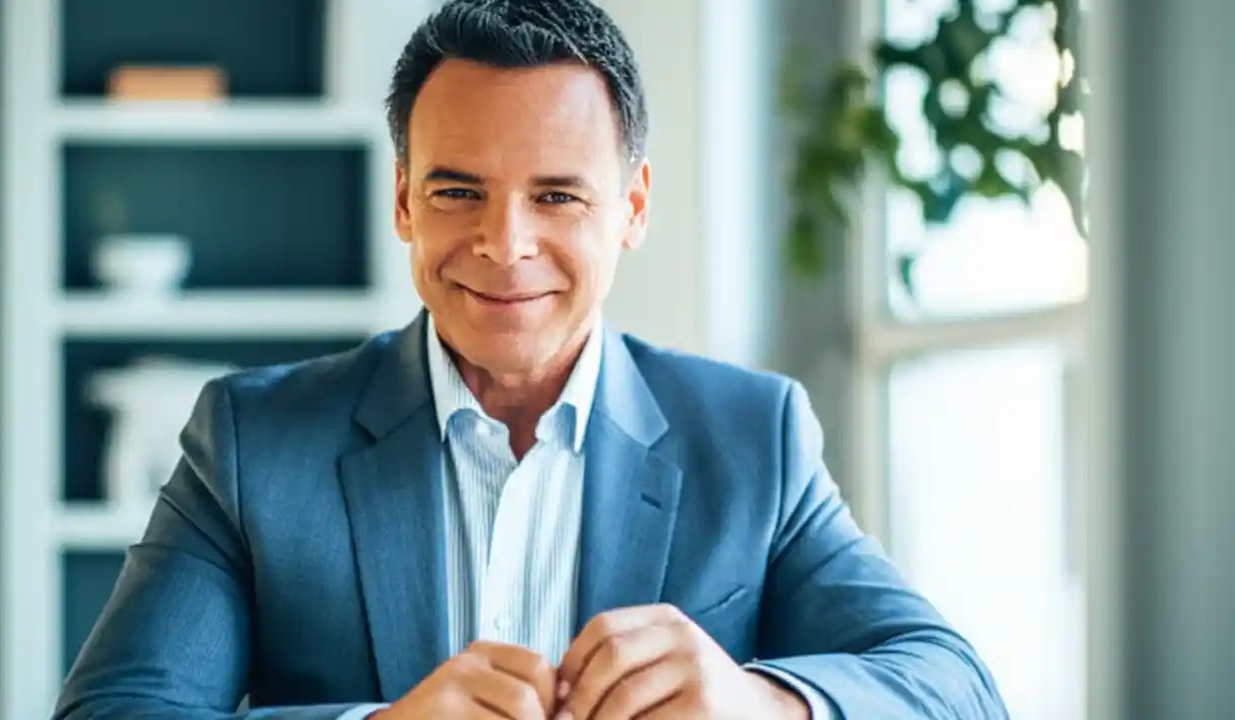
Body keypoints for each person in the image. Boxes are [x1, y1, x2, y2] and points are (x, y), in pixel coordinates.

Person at [54, 1, 1006, 718]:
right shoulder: (251, 443)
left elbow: (954, 686)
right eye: (459, 190)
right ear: (403, 203)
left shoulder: (755, 436)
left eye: (557, 197)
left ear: (633, 207)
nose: (503, 244)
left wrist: (763, 702)